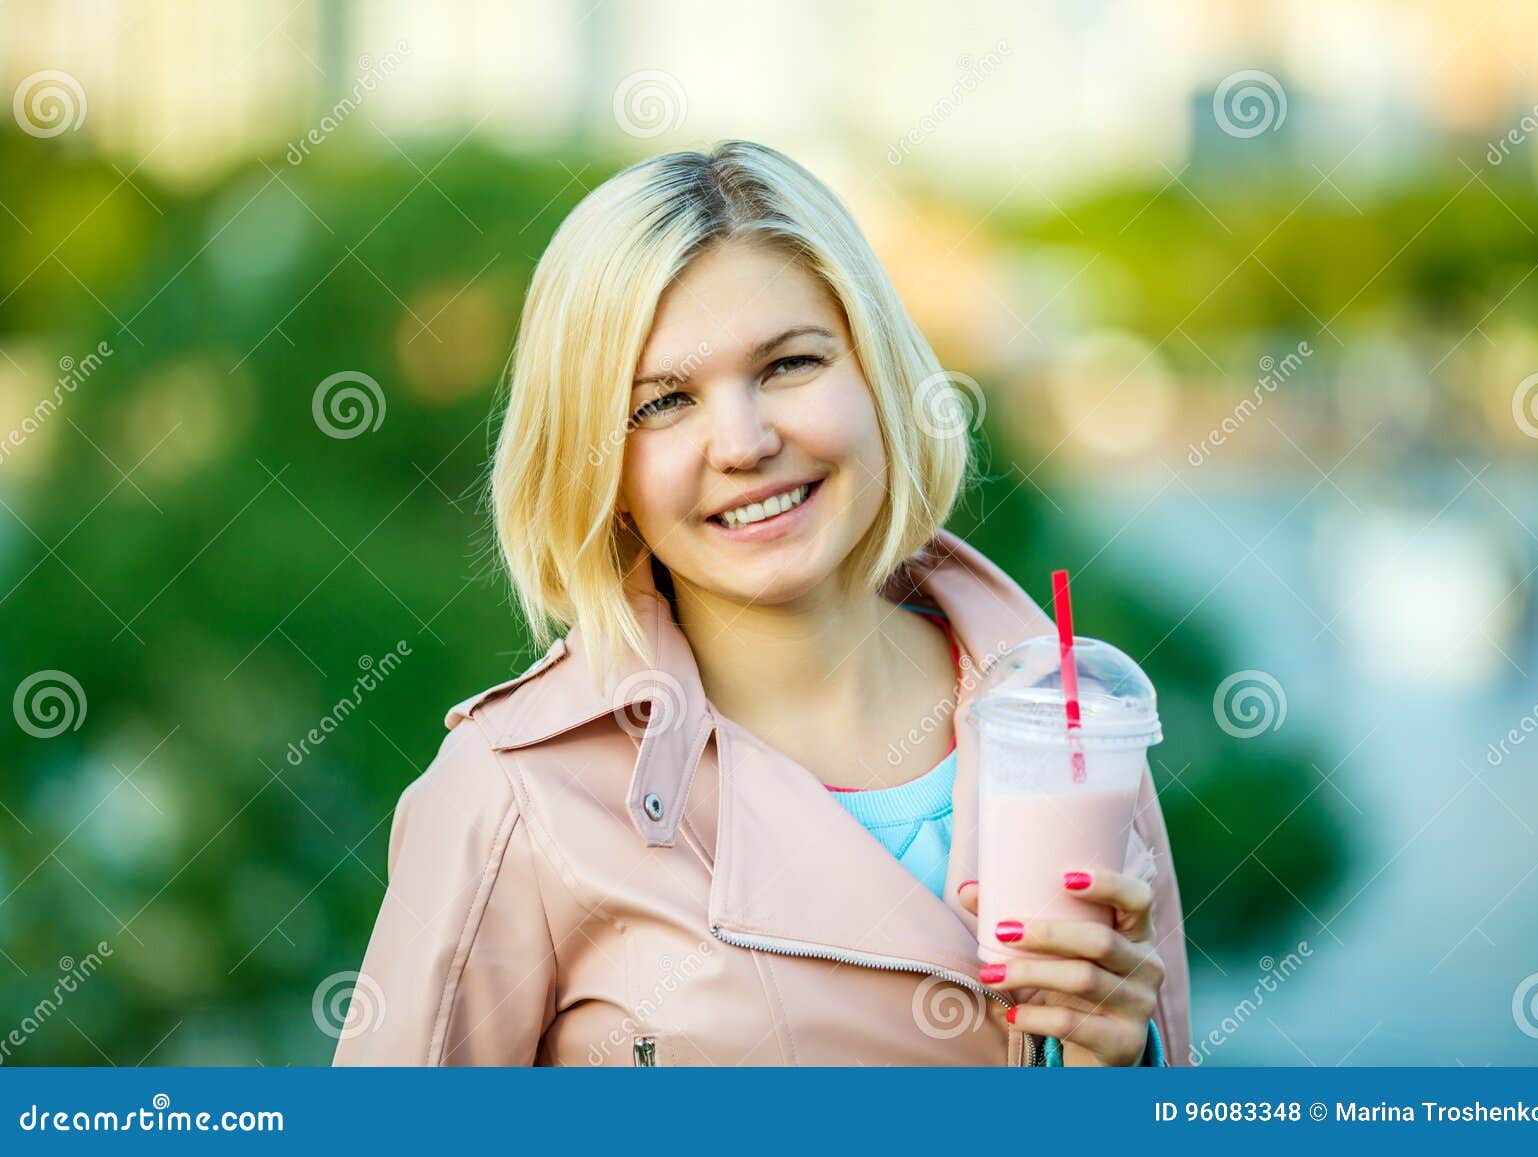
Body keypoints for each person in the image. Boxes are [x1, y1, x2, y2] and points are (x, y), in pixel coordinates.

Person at [333, 140, 1190, 1067]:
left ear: (877, 376)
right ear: (599, 465)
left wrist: (1125, 1067)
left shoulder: (1069, 729)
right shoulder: (510, 795)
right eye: (661, 404)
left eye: (788, 364)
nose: (742, 443)